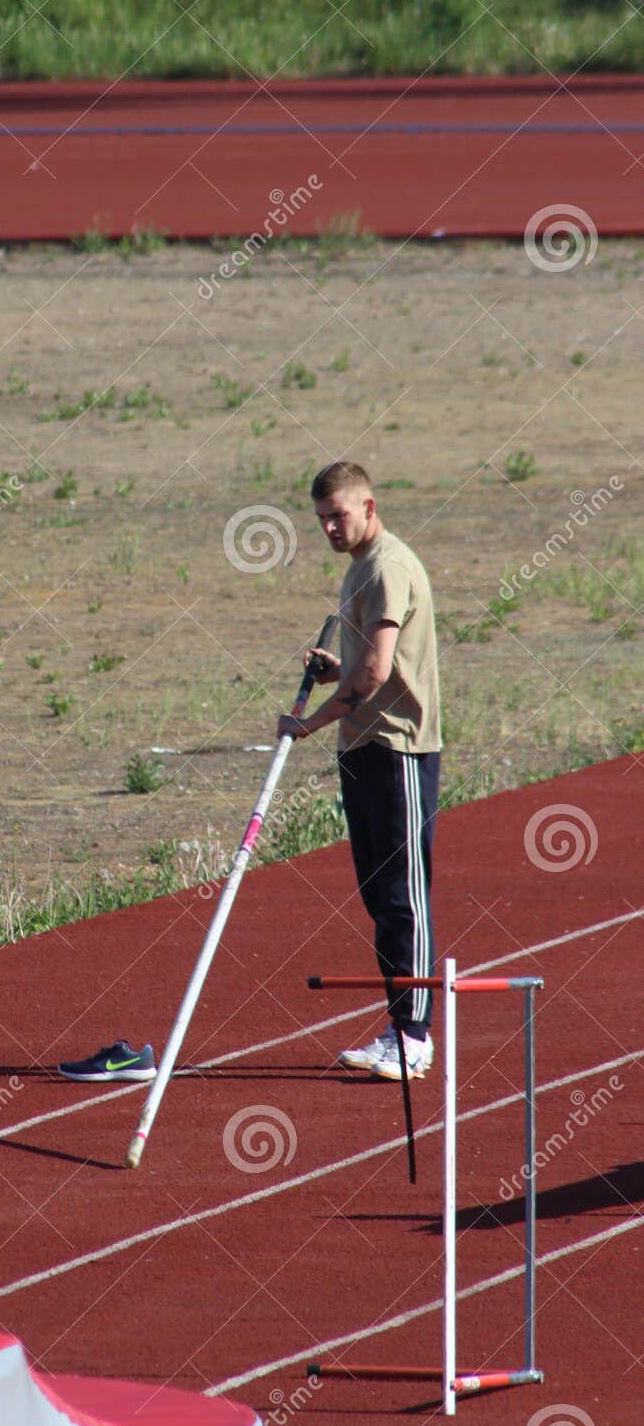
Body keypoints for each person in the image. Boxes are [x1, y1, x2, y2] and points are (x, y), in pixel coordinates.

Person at [277, 460, 441, 1081]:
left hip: (398, 746)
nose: (328, 528)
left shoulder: (387, 567)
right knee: (379, 895)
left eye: (337, 515)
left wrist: (307, 724)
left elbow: (374, 677)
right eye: (320, 518)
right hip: (363, 747)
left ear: (369, 507)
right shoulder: (360, 570)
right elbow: (365, 667)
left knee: (404, 896)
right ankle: (399, 1028)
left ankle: (414, 1036)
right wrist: (330, 673)